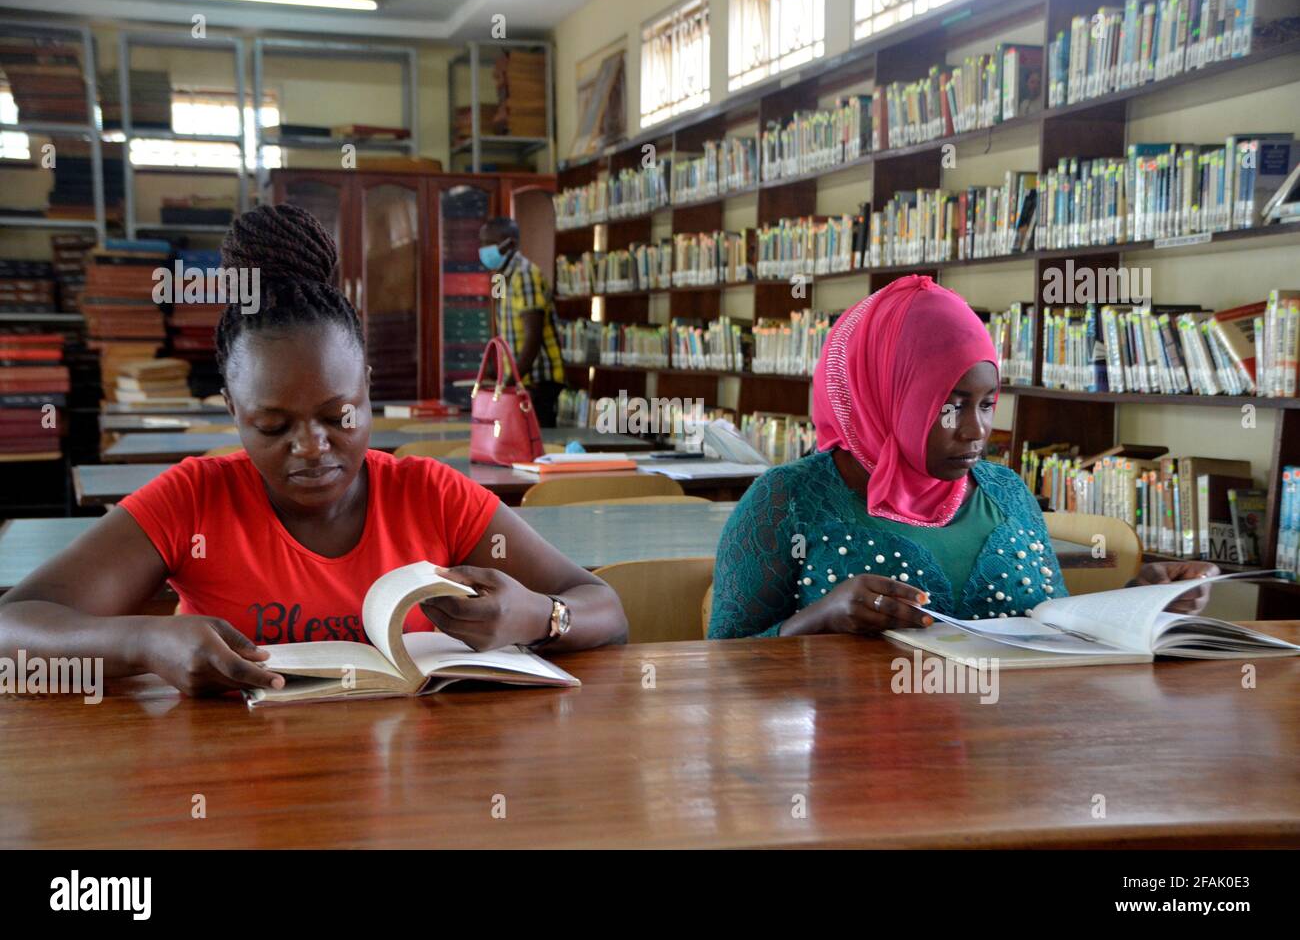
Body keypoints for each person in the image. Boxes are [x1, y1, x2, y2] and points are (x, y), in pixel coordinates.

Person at [0, 204, 627, 697]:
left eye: (339, 416)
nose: (311, 448)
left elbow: (605, 608)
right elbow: (12, 628)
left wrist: (539, 615)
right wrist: (142, 643)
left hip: (415, 790)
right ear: (232, 412)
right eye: (272, 426)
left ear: (368, 390)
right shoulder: (195, 499)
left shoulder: (431, 496)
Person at [708, 274, 1218, 639]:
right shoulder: (786, 500)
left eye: (988, 404)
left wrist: (1140, 601)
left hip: (1002, 757)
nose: (975, 431)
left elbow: (1052, 624)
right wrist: (815, 620)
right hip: (855, 765)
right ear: (882, 394)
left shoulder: (1006, 493)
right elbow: (720, 668)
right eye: (947, 406)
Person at [479, 217, 566, 426]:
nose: (482, 250)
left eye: (487, 243)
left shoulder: (525, 274)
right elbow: (498, 321)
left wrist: (511, 384)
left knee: (533, 445)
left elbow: (533, 337)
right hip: (516, 379)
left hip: (536, 381)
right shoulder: (498, 276)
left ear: (509, 243)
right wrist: (493, 366)